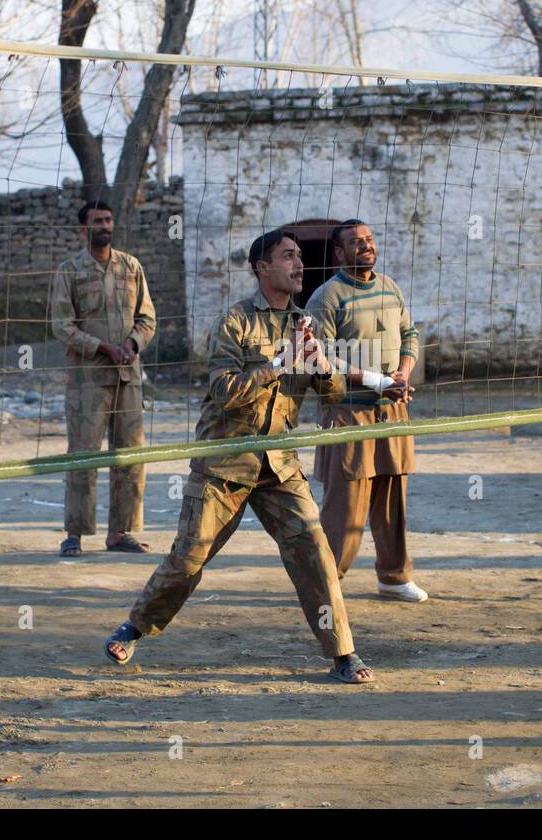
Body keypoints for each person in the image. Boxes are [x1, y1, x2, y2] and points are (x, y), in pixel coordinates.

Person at [103, 229, 375, 683]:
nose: (299, 264)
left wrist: (322, 366)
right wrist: (278, 364)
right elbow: (223, 391)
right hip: (224, 461)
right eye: (288, 256)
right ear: (262, 268)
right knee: (189, 558)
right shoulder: (235, 323)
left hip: (278, 464)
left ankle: (343, 654)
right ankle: (135, 626)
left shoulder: (305, 325)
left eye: (300, 258)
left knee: (315, 553)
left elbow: (332, 395)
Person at [305, 219, 426, 602]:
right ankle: (326, 583)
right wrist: (376, 380)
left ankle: (393, 576)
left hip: (391, 410)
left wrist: (403, 374)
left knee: (393, 499)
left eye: (369, 240)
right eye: (355, 243)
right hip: (347, 413)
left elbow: (410, 335)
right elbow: (317, 359)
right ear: (339, 253)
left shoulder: (390, 287)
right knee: (346, 508)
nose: (365, 246)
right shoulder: (326, 297)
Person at [50, 200, 156, 556]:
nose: (105, 226)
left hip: (127, 377)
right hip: (88, 383)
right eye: (97, 221)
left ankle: (119, 533)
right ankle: (75, 534)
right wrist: (101, 347)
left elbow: (147, 318)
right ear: (84, 228)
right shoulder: (69, 271)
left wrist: (131, 342)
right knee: (83, 457)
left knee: (130, 456)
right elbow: (61, 326)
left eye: (109, 220)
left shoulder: (131, 267)